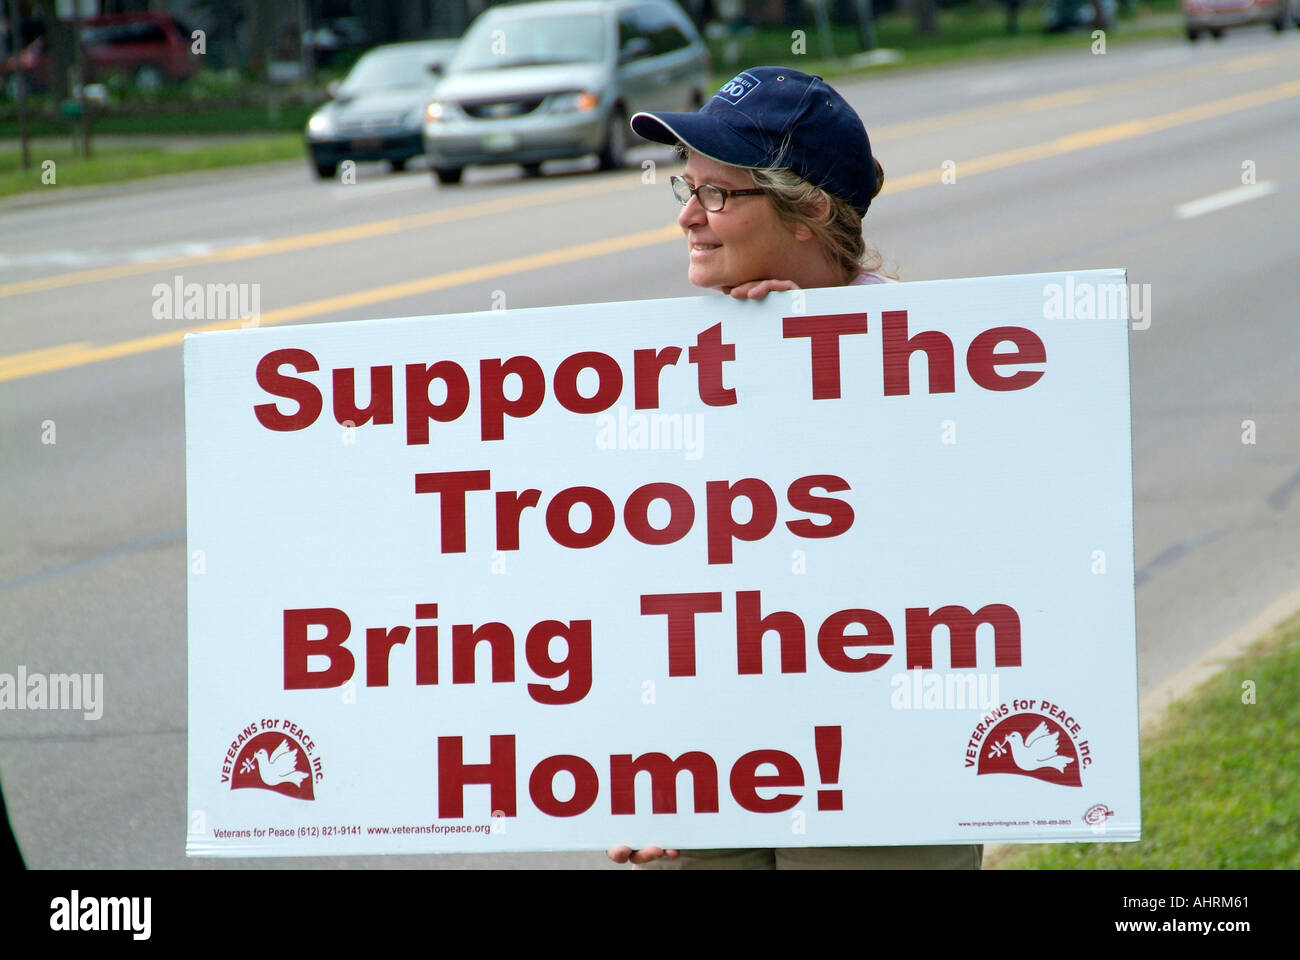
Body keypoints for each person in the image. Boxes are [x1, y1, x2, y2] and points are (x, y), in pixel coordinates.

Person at [605, 66, 981, 871]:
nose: (688, 218)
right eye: (686, 188)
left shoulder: (932, 363)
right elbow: (622, 581)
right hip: (709, 762)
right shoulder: (658, 364)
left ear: (808, 211)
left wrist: (809, 363)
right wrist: (639, 767)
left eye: (718, 195)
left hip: (879, 763)